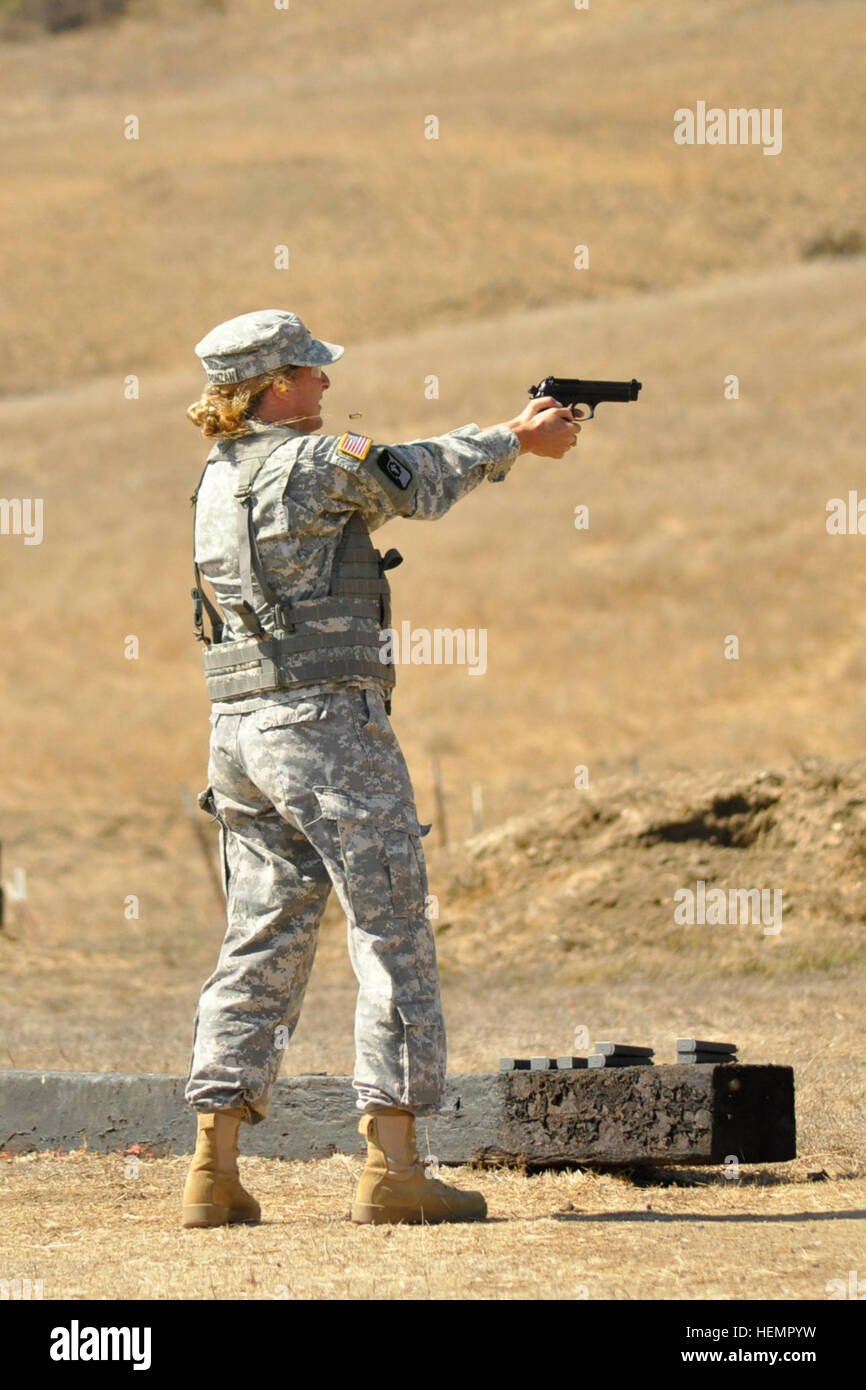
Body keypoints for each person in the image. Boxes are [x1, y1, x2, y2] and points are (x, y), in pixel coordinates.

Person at [181, 309, 580, 1228]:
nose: (325, 386)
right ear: (275, 384)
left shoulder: (214, 479)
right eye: (311, 373)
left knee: (259, 940)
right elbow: (416, 477)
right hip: (328, 730)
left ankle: (213, 1169)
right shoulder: (319, 461)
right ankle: (394, 1171)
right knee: (392, 931)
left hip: (240, 735)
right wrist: (516, 438)